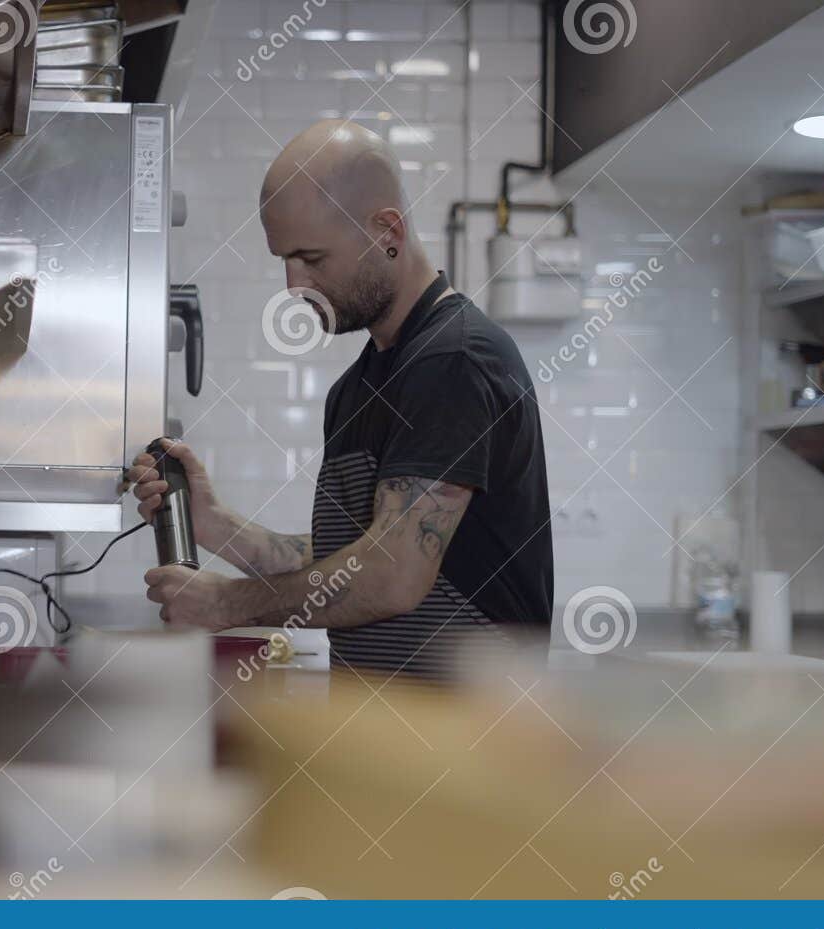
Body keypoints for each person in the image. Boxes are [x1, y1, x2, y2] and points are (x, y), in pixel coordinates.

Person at [125, 121, 553, 677]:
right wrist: (216, 526)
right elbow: (354, 557)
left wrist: (227, 603)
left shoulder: (455, 361)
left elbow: (394, 573)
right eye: (284, 259)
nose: (292, 285)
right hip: (386, 740)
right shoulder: (357, 388)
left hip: (465, 747)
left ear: (386, 230)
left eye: (312, 258)